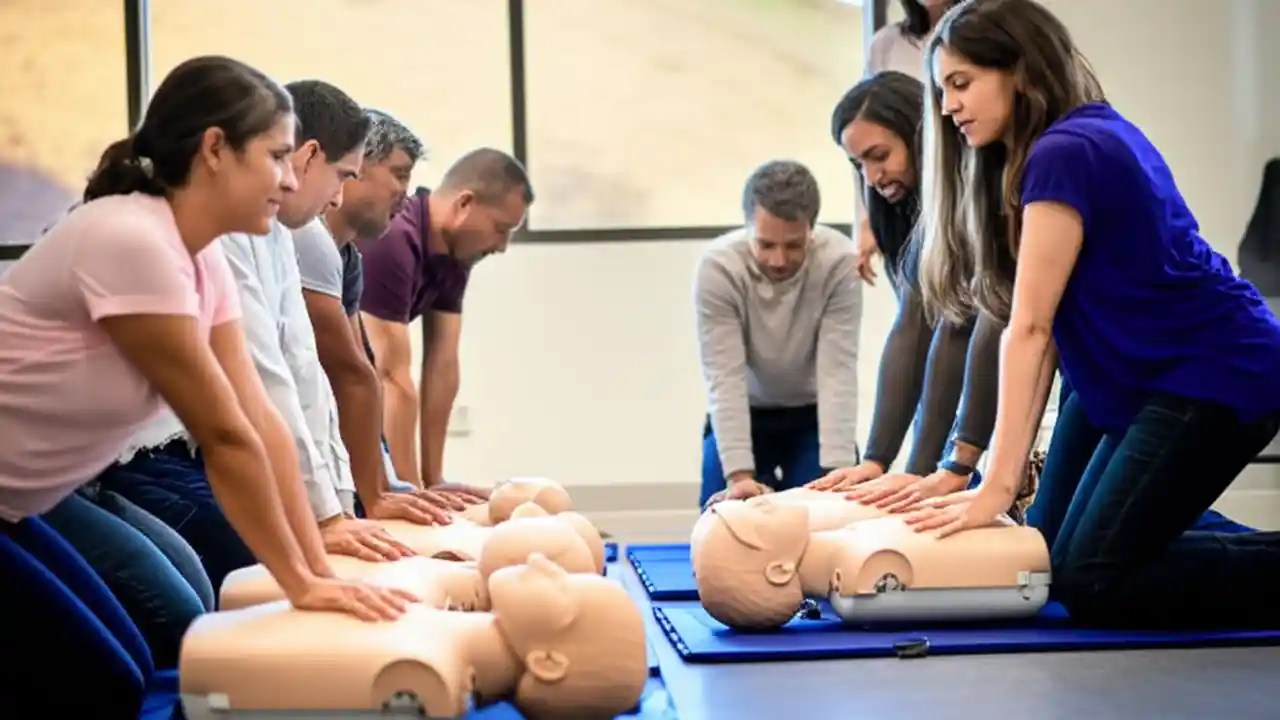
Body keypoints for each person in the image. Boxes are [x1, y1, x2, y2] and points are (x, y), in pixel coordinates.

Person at [0, 56, 414, 718]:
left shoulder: (202, 260)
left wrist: (315, 569)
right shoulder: (130, 238)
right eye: (277, 156)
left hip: (26, 503)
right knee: (99, 675)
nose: (290, 177)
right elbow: (223, 433)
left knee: (129, 665)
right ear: (216, 150)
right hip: (27, 498)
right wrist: (301, 583)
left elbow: (259, 416)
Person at [904, 0, 1280, 628]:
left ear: (1019, 70)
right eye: (943, 89)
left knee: (1095, 579)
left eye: (961, 83)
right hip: (1147, 377)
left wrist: (994, 486)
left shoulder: (1067, 150)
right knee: (1051, 558)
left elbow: (1030, 329)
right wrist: (993, 469)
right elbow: (1044, 338)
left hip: (1213, 375)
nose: (948, 107)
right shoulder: (1056, 147)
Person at [98, 80, 419, 597]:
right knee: (211, 594)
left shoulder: (271, 235)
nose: (294, 182)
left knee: (232, 582)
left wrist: (338, 509)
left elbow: (297, 374)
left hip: (138, 461)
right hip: (123, 463)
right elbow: (255, 401)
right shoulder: (162, 234)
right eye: (276, 158)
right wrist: (320, 537)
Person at [807, 71, 1000, 511]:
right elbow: (913, 328)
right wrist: (879, 460)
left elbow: (968, 326)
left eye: (879, 156)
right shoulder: (913, 216)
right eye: (859, 165)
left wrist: (939, 465)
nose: (872, 176)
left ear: (922, 136)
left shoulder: (973, 193)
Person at [293, 108, 486, 520]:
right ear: (356, 167)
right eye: (399, 174)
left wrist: (392, 485)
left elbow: (360, 374)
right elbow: (353, 377)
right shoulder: (312, 240)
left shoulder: (347, 258)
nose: (407, 192)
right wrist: (370, 496)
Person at [360, 148, 534, 489]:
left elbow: (442, 365)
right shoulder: (394, 238)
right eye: (501, 229)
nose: (502, 246)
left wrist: (433, 479)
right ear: (464, 203)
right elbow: (391, 377)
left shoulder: (454, 257)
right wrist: (410, 490)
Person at [696, 160, 863, 508]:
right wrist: (739, 476)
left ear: (812, 230)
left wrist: (838, 473)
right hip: (746, 410)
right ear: (747, 228)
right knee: (722, 524)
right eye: (766, 244)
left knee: (831, 520)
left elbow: (838, 371)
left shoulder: (839, 261)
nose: (778, 259)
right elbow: (724, 377)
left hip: (812, 415)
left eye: (793, 245)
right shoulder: (719, 268)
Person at [851, 0, 963, 285]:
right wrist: (866, 221)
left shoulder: (985, 31)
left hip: (966, 196)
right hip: (908, 208)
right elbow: (865, 137)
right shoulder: (886, 44)